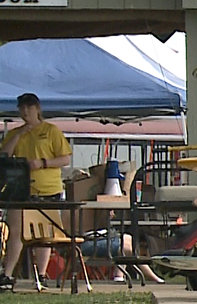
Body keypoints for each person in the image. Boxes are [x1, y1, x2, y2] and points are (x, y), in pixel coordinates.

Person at [0, 93, 72, 290]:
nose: (25, 112)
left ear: (37, 109)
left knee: (43, 233)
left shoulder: (51, 131)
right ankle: (7, 275)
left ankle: (41, 274)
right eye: (22, 109)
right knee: (16, 231)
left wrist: (42, 163)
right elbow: (4, 155)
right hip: (21, 190)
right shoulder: (15, 133)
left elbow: (65, 159)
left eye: (29, 108)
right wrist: (19, 135)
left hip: (48, 189)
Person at [78, 228, 164, 284]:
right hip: (85, 242)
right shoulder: (87, 207)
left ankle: (119, 275)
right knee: (127, 248)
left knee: (128, 238)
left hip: (95, 237)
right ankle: (151, 276)